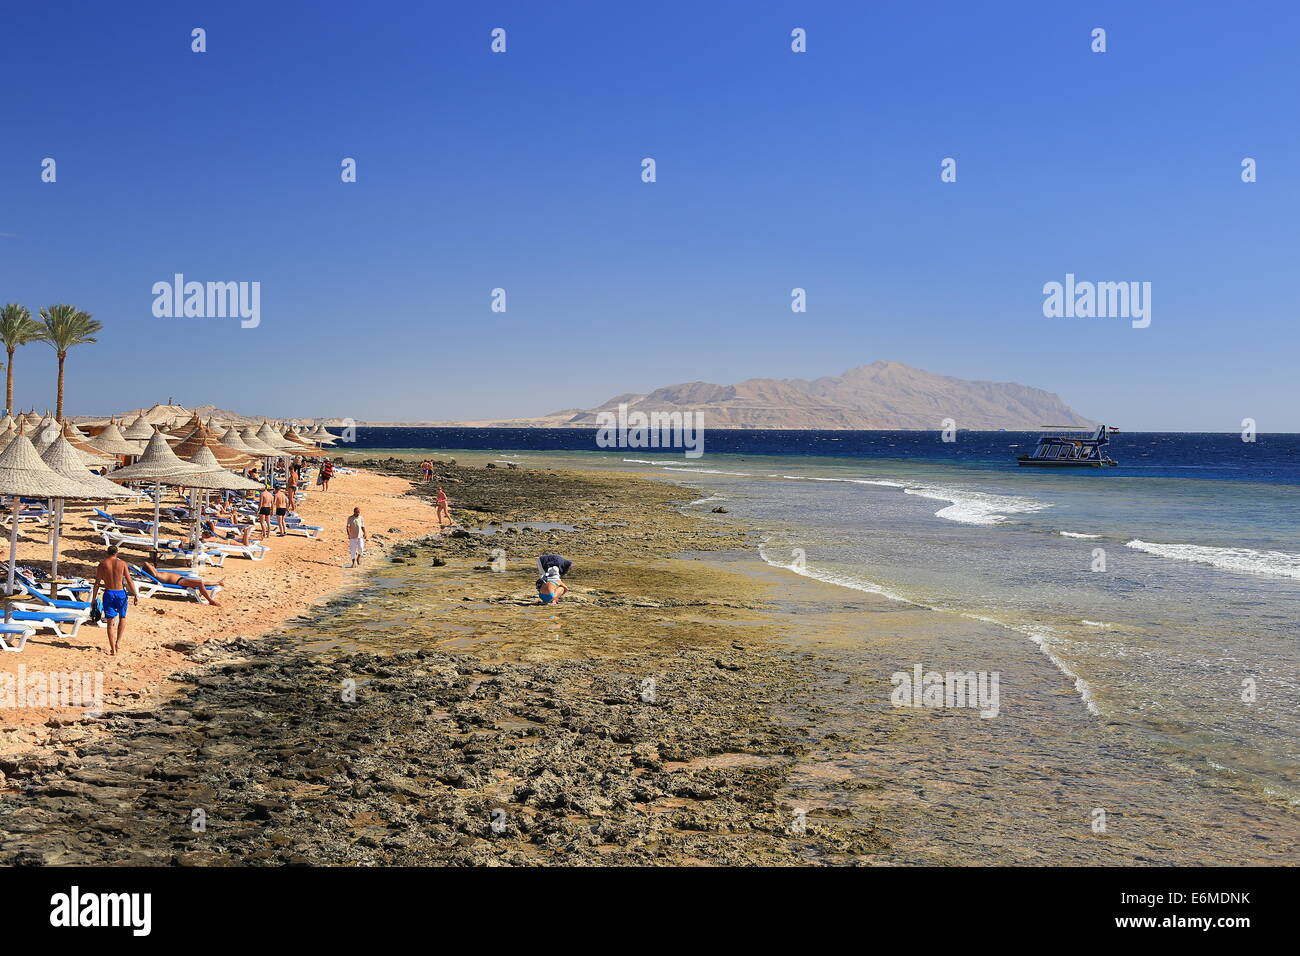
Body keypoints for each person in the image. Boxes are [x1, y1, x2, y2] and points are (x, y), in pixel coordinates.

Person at [91, 545, 139, 656]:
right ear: (117, 553)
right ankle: (118, 642)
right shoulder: (122, 564)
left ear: (107, 553)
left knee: (109, 623)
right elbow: (129, 580)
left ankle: (113, 649)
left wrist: (93, 599)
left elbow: (97, 583)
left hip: (109, 593)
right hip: (120, 593)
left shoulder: (102, 564)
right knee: (122, 617)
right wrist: (135, 594)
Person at [142, 561, 224, 606]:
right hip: (179, 582)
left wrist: (151, 565)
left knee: (202, 582)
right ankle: (210, 600)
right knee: (200, 583)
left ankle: (218, 582)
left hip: (181, 579)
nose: (153, 565)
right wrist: (149, 565)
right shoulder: (156, 574)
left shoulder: (157, 572)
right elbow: (145, 563)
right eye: (151, 566)